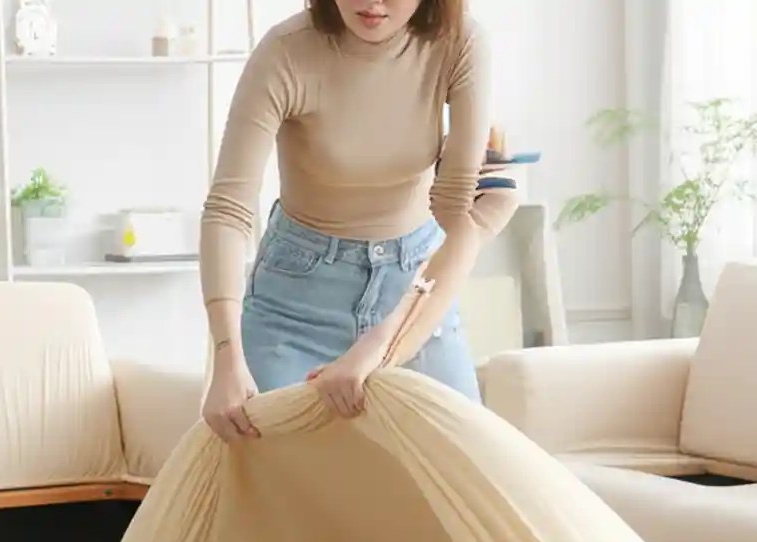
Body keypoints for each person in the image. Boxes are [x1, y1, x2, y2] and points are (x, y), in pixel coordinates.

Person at [198, 0, 518, 443]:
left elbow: (458, 214)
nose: (372, 3)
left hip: (414, 288)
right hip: (295, 305)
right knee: (284, 491)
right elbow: (228, 210)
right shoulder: (286, 51)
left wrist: (383, 345)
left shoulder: (460, 41)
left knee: (470, 469)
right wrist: (226, 358)